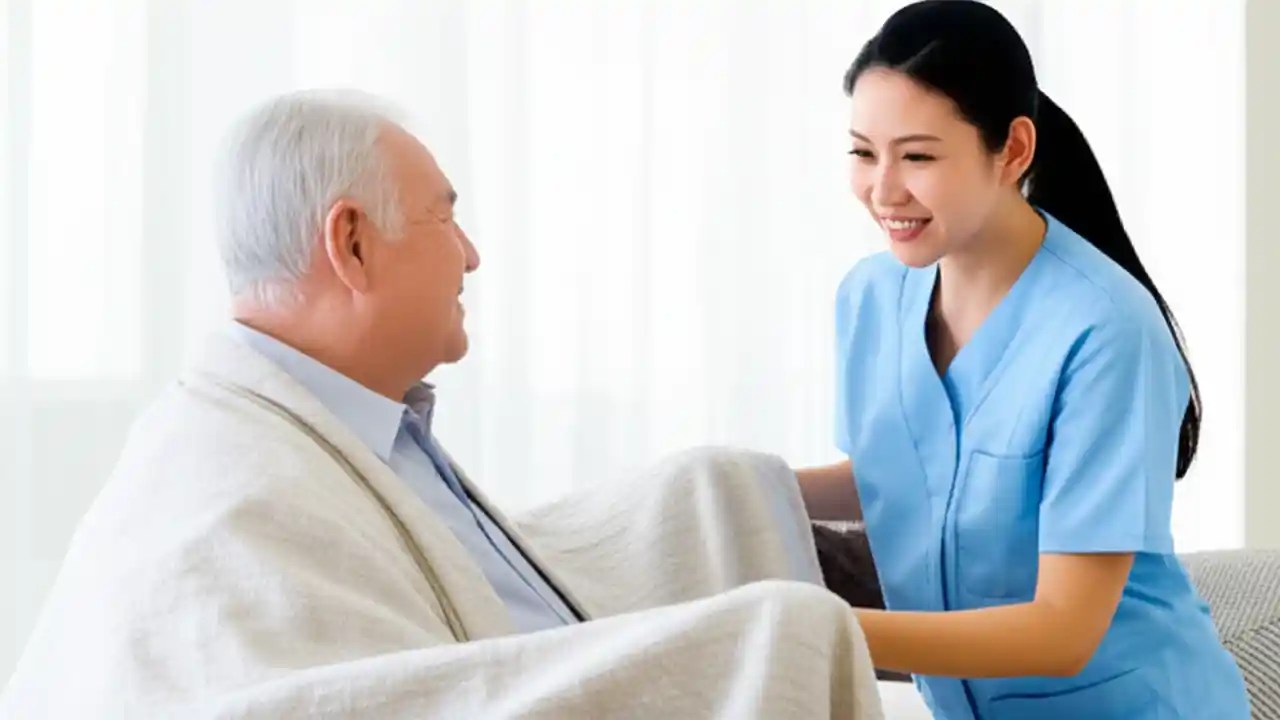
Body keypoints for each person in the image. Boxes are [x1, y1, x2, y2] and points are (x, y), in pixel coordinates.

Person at [0, 91, 885, 718]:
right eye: (442, 218)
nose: (469, 255)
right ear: (350, 242)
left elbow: (479, 587)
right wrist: (770, 635)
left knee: (714, 493)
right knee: (790, 627)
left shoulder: (349, 424)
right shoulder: (226, 491)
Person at [794, 2, 1250, 718]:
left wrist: (811, 632)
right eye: (862, 152)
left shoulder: (1105, 331)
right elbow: (906, 468)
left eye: (917, 156)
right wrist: (741, 492)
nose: (883, 190)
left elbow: (1063, 631)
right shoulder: (870, 298)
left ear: (1012, 151)